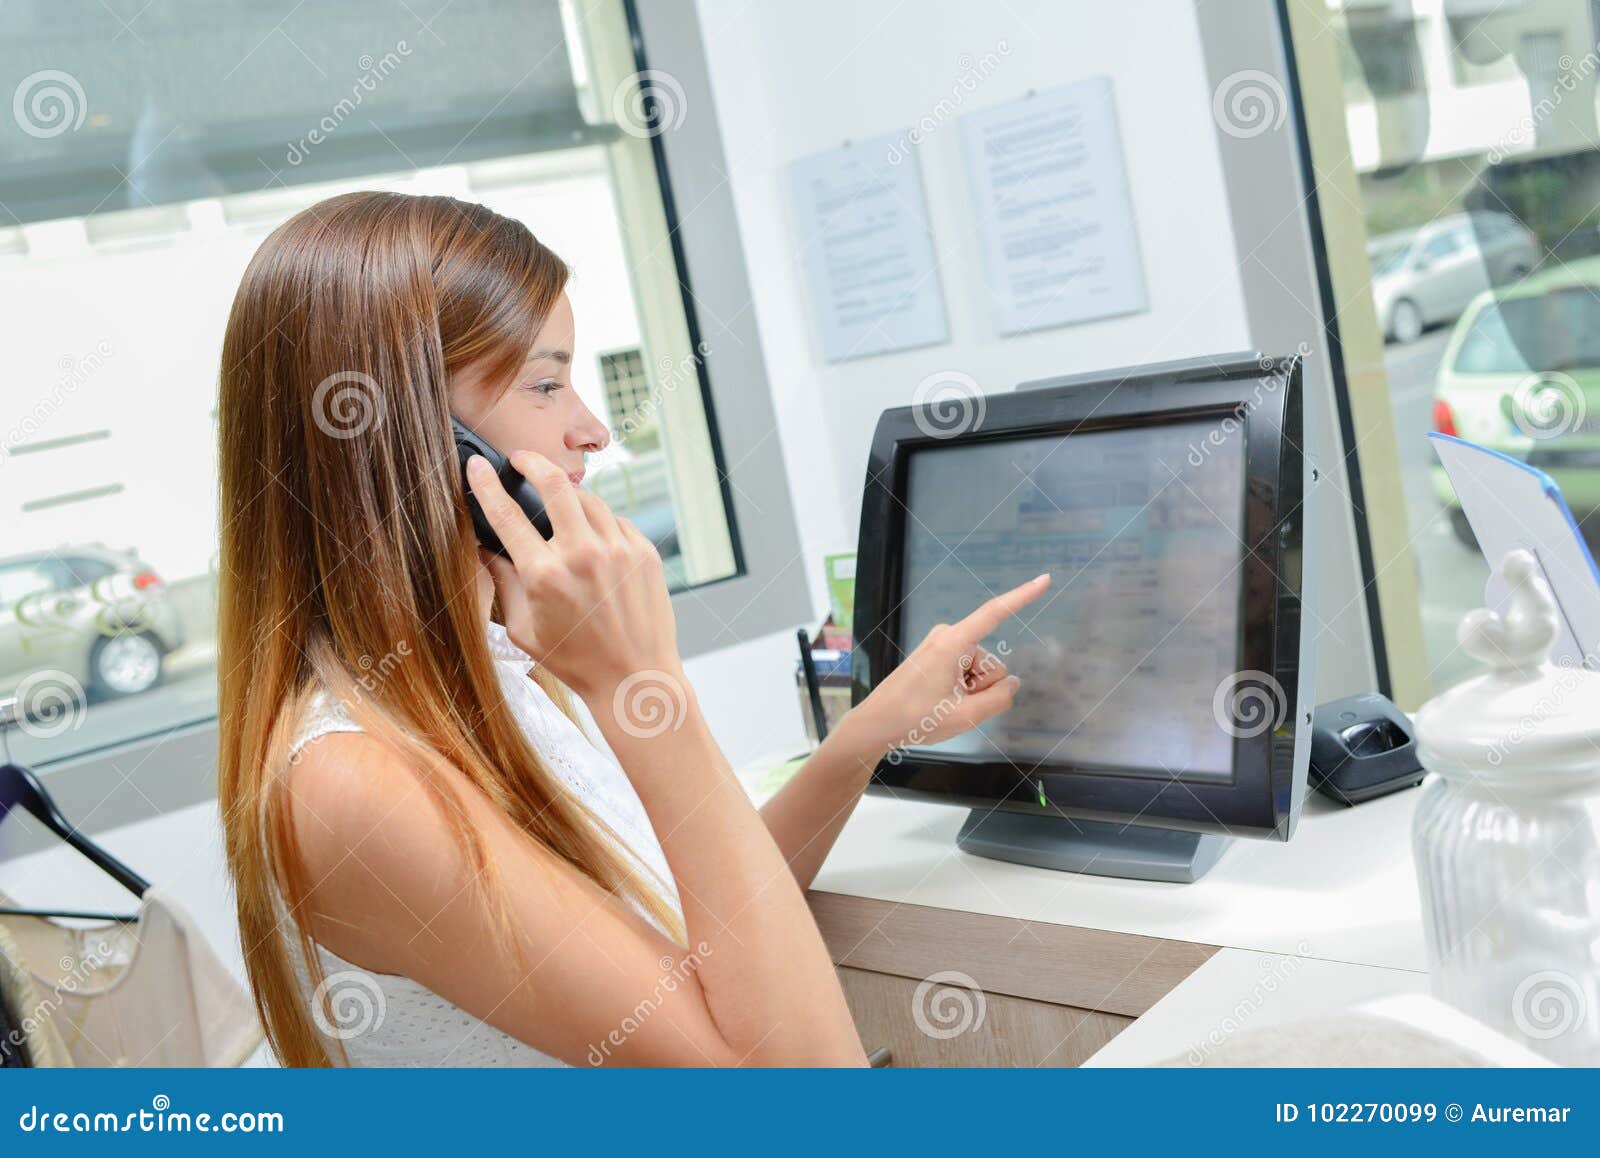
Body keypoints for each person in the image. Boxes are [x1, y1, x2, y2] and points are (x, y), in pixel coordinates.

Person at [215, 190, 1049, 1067]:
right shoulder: (355, 785)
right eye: (546, 384)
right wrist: (638, 682)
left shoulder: (494, 682)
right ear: (426, 443)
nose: (593, 430)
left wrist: (866, 737)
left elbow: (703, 934)